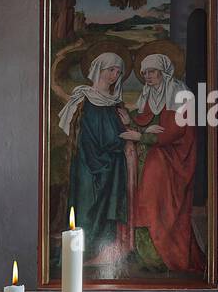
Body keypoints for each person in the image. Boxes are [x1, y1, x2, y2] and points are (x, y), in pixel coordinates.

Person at [58, 52, 138, 268]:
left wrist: (127, 129)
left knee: (108, 214)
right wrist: (115, 142)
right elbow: (85, 134)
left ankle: (103, 255)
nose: (115, 75)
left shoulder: (115, 103)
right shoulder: (84, 100)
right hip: (88, 163)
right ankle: (81, 256)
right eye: (111, 70)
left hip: (113, 168)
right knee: (86, 208)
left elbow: (122, 129)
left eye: (118, 72)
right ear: (98, 70)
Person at [126, 52, 203, 274]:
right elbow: (145, 118)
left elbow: (175, 131)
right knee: (144, 203)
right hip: (154, 155)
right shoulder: (150, 92)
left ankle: (165, 256)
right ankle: (147, 257)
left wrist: (142, 136)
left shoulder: (179, 94)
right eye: (144, 73)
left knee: (157, 205)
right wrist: (130, 121)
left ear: (163, 72)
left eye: (151, 72)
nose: (147, 77)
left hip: (173, 159)